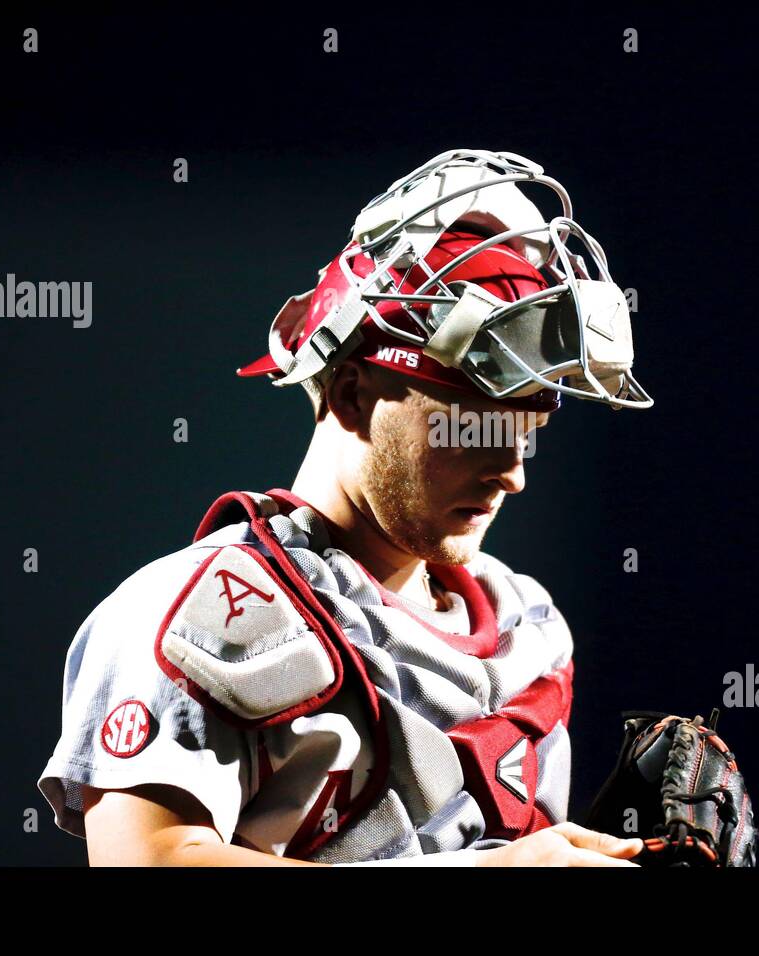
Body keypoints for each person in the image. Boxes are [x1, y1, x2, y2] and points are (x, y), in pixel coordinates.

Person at [37, 149, 653, 866]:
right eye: (471, 425)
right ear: (353, 394)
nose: (512, 471)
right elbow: (147, 862)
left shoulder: (527, 629)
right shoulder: (201, 612)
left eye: (528, 430)